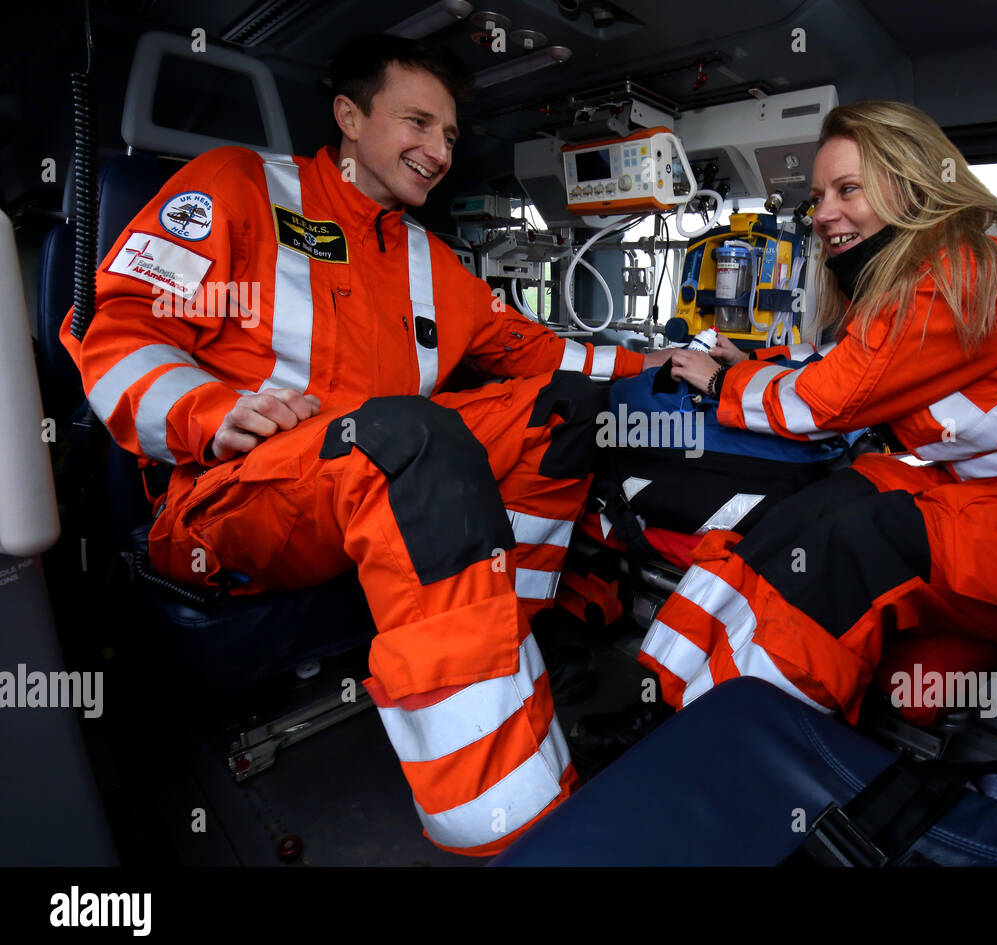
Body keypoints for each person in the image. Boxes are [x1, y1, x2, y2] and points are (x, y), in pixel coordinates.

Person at [60, 34, 671, 856]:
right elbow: (118, 325)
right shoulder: (238, 187)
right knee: (414, 434)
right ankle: (509, 822)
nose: (439, 151)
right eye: (418, 122)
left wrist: (660, 362)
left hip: (371, 470)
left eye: (450, 135)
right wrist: (209, 410)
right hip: (228, 496)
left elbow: (536, 350)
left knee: (562, 409)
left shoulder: (427, 256)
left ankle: (514, 651)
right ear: (349, 116)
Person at [638, 99, 997, 722]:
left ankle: (727, 733)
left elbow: (826, 398)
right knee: (847, 494)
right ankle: (674, 693)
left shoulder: (967, 267)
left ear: (913, 183)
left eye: (849, 190)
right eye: (819, 197)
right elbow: (846, 356)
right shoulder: (945, 261)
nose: (824, 215)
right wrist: (748, 360)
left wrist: (720, 384)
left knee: (860, 536)